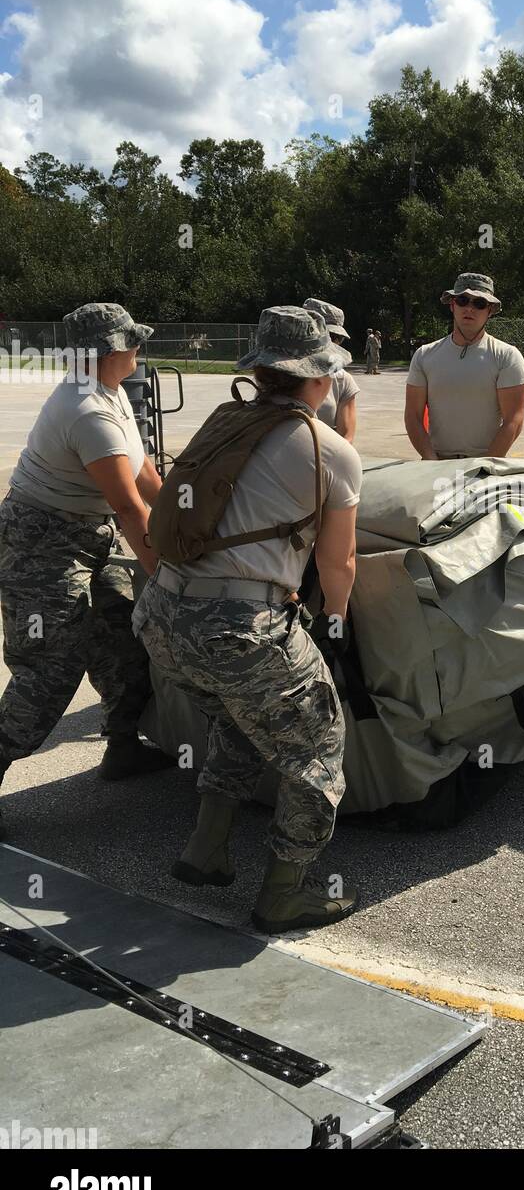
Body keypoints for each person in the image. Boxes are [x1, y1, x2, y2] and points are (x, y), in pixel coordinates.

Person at [132, 308, 362, 933]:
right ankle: (285, 893)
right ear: (316, 379)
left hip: (160, 617)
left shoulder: (225, 422)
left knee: (239, 716)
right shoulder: (329, 451)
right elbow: (337, 564)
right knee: (317, 744)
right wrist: (333, 627)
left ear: (259, 371)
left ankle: (205, 851)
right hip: (235, 629)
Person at [0, 303, 174, 840]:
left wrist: (180, 523)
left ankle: (123, 747)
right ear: (108, 351)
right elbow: (128, 506)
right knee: (50, 668)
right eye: (132, 343)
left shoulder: (110, 390)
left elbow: (143, 470)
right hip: (40, 545)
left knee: (125, 634)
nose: (139, 350)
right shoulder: (86, 409)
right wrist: (170, 573)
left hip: (84, 535)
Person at [404, 273, 524, 460]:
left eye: (479, 303)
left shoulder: (507, 356)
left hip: (485, 464)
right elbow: (413, 416)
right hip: (436, 462)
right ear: (452, 305)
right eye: (463, 300)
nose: (469, 308)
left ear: (490, 310)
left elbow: (514, 420)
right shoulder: (424, 355)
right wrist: (430, 460)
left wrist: (485, 467)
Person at [302, 297, 359, 441]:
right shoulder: (278, 373)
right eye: (326, 336)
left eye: (336, 338)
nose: (333, 343)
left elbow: (346, 438)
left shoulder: (342, 380)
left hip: (323, 459)